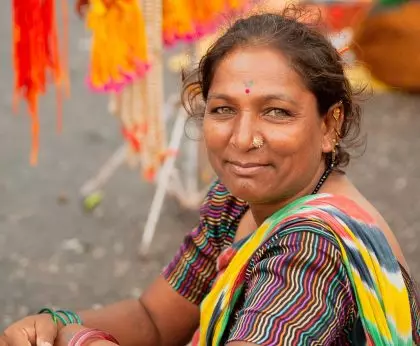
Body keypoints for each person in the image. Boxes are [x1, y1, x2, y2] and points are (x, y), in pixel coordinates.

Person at [2, 6, 419, 346]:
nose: (242, 139)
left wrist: (83, 340)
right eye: (223, 110)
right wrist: (53, 326)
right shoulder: (241, 198)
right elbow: (153, 319)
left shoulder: (312, 253)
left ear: (330, 125)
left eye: (276, 112)